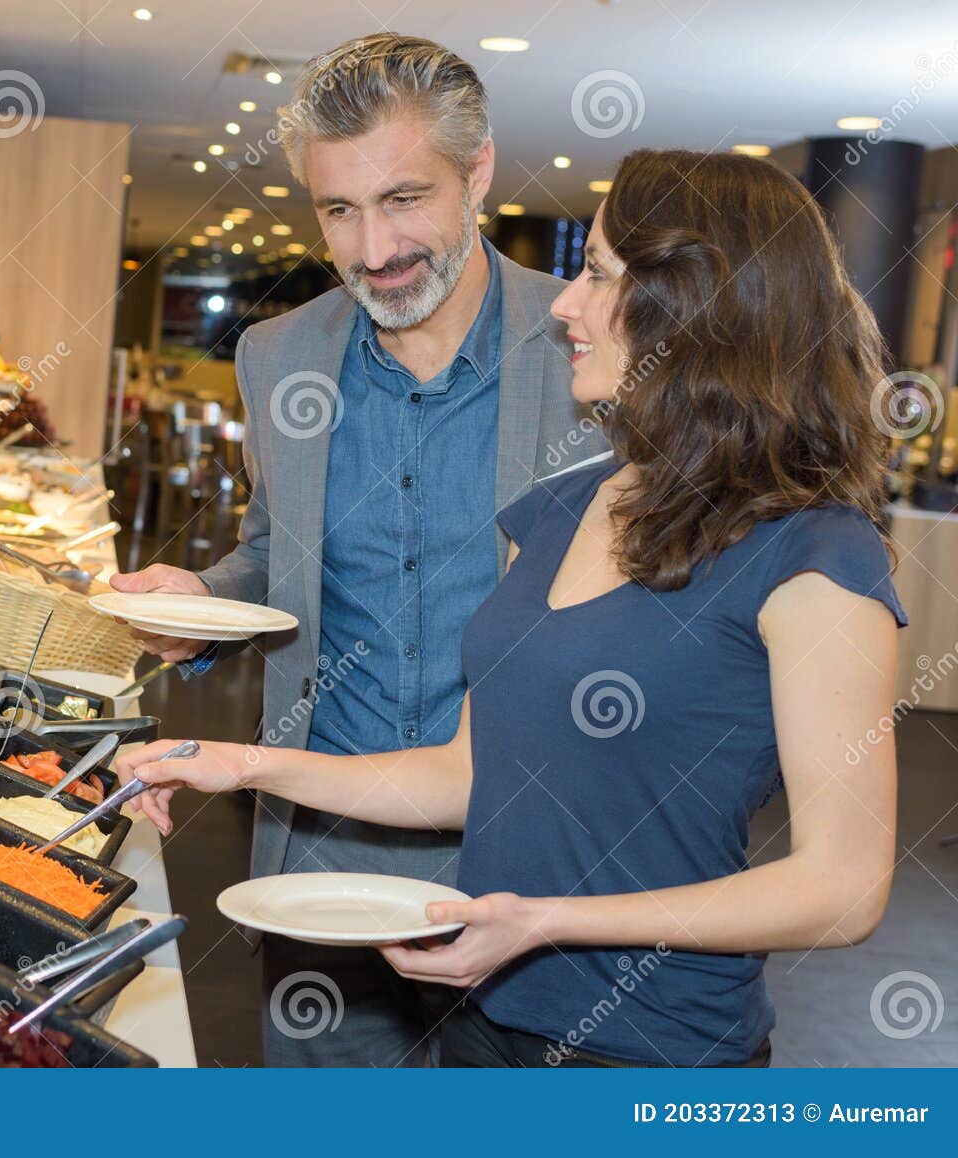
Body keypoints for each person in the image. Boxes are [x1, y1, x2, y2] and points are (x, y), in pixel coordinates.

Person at [116, 147, 904, 1068]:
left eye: (600, 274)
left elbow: (844, 888)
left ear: (697, 307)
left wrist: (543, 924)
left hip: (652, 1053)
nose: (565, 303)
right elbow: (466, 774)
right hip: (488, 1023)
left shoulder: (816, 554)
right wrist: (238, 763)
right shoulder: (566, 507)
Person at [111, 34, 607, 1066]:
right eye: (337, 210)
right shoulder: (279, 354)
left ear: (475, 174)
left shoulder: (585, 359)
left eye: (403, 200)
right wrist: (196, 601)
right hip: (323, 860)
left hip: (529, 857)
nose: (371, 249)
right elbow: (274, 554)